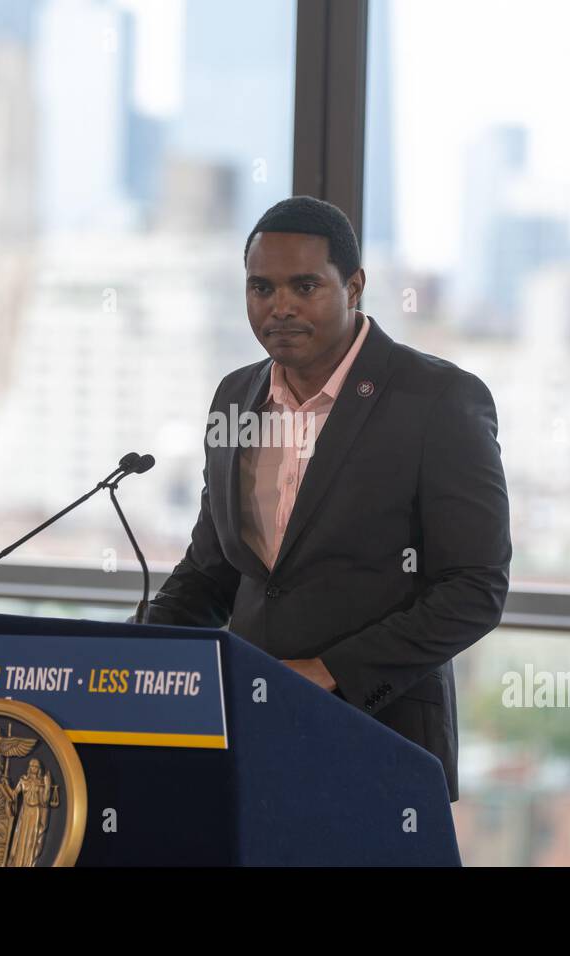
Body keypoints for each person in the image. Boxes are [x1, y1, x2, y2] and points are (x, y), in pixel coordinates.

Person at [134, 196, 511, 802]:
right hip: (251, 738)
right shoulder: (235, 398)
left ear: (354, 286)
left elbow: (475, 589)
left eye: (303, 286)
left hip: (381, 740)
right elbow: (211, 574)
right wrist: (121, 656)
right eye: (260, 288)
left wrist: (329, 673)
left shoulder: (438, 399)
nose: (278, 306)